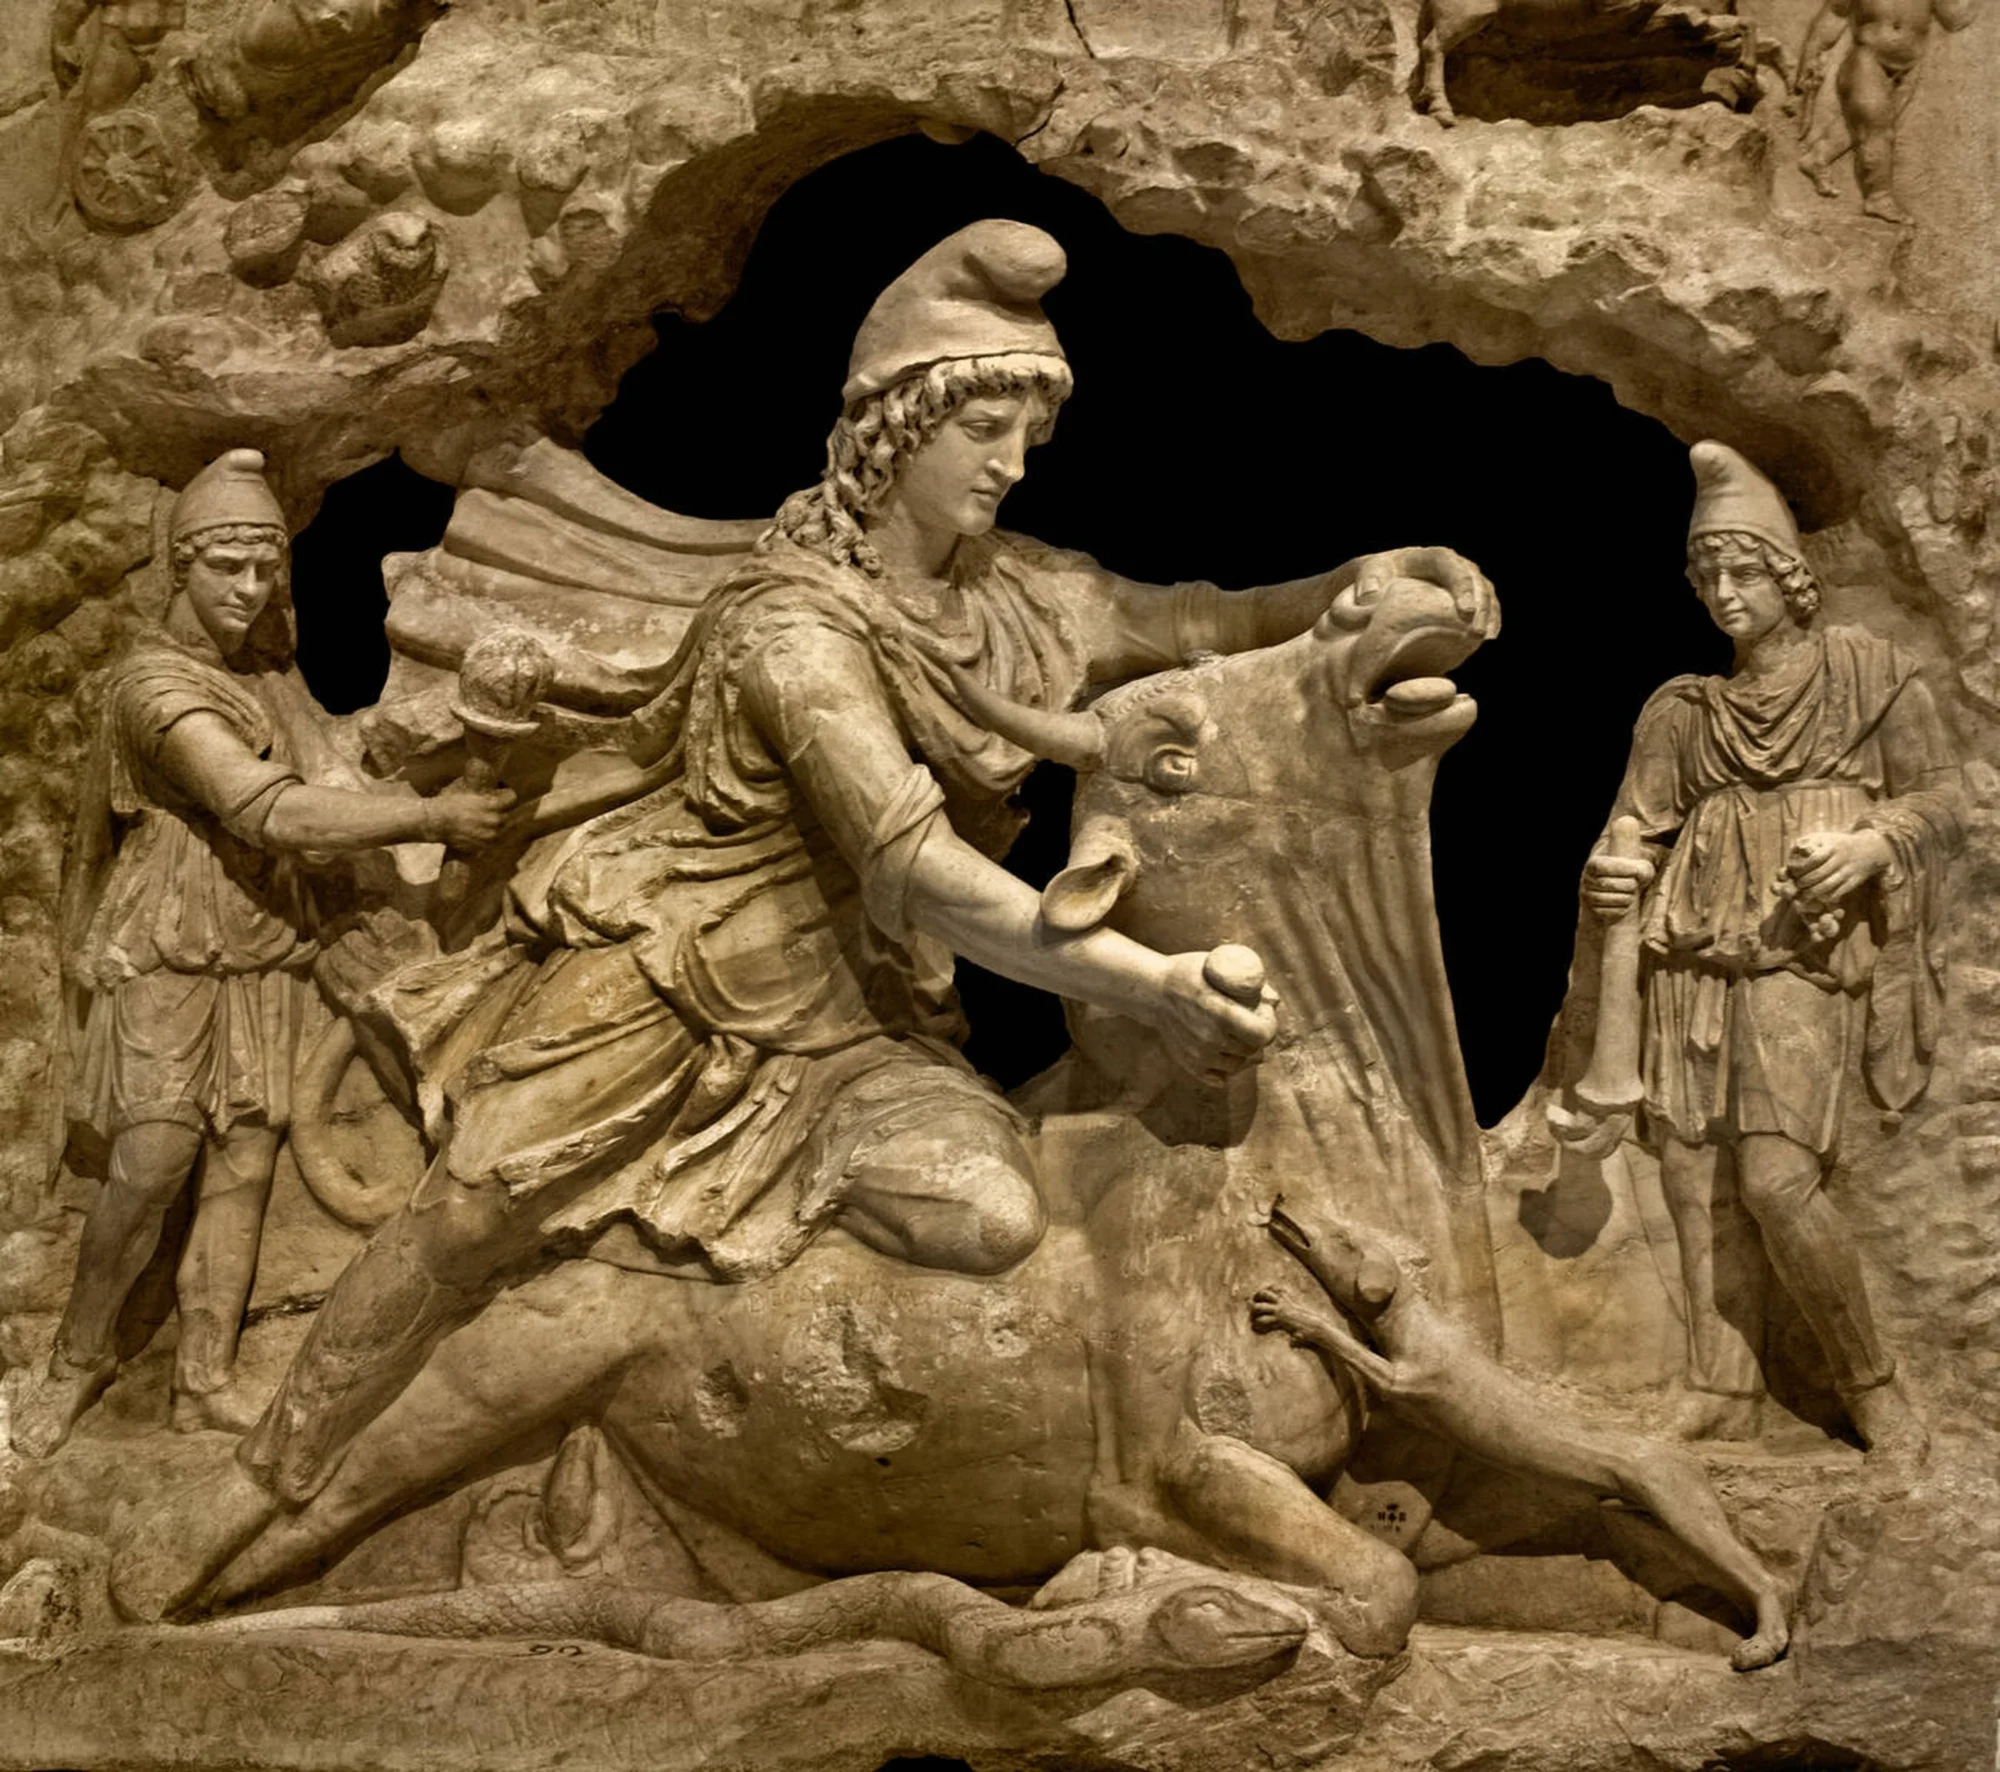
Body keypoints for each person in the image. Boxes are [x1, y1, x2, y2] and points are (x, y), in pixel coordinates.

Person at [113, 221, 1494, 1618]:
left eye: (1028, 435)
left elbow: (1198, 624)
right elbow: (916, 865)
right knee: (463, 1219)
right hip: (666, 986)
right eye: (985, 431)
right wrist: (1146, 978)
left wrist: (1358, 594)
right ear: (899, 432)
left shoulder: (1014, 598)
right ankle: (263, 1477)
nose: (1011, 465)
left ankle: (686, 1374)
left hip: (851, 1019)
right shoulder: (792, 630)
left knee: (989, 1213)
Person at [8, 449, 511, 1460]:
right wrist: (430, 815)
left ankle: (203, 1377)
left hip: (264, 938)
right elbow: (264, 807)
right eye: (225, 567)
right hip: (169, 942)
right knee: (152, 1161)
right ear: (181, 566)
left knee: (244, 1159)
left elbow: (329, 767)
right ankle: (75, 1356)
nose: (248, 588)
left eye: (265, 569)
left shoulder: (268, 678)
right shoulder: (153, 689)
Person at [1582, 440, 1960, 1457]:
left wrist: (1871, 844)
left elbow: (1947, 796)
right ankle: (1723, 1383)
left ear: (1789, 576)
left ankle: (1873, 1386)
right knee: (1690, 1172)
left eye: (1743, 572)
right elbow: (1633, 828)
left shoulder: (1864, 674)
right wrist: (1612, 869)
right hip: (1690, 954)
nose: (1723, 595)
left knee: (1776, 1179)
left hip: (1800, 947)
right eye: (1707, 577)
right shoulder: (1681, 711)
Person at [1248, 1198, 1790, 1671]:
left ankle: (1768, 1602)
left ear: (1374, 1288)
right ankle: (1752, 1603)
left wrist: (1312, 1325)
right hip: (1620, 1473)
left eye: (1347, 1249)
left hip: (1637, 1465)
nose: (1337, 1250)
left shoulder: (1429, 1354)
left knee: (1714, 1549)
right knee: (1690, 1549)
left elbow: (1396, 1382)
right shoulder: (1424, 1335)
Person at [1794, 0, 1984, 224]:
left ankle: (1818, 156)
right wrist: (1811, 55)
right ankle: (1878, 197)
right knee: (1878, 130)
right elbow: (1834, 15)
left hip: (1910, 70)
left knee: (1871, 125)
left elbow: (1953, 19)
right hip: (1867, 60)